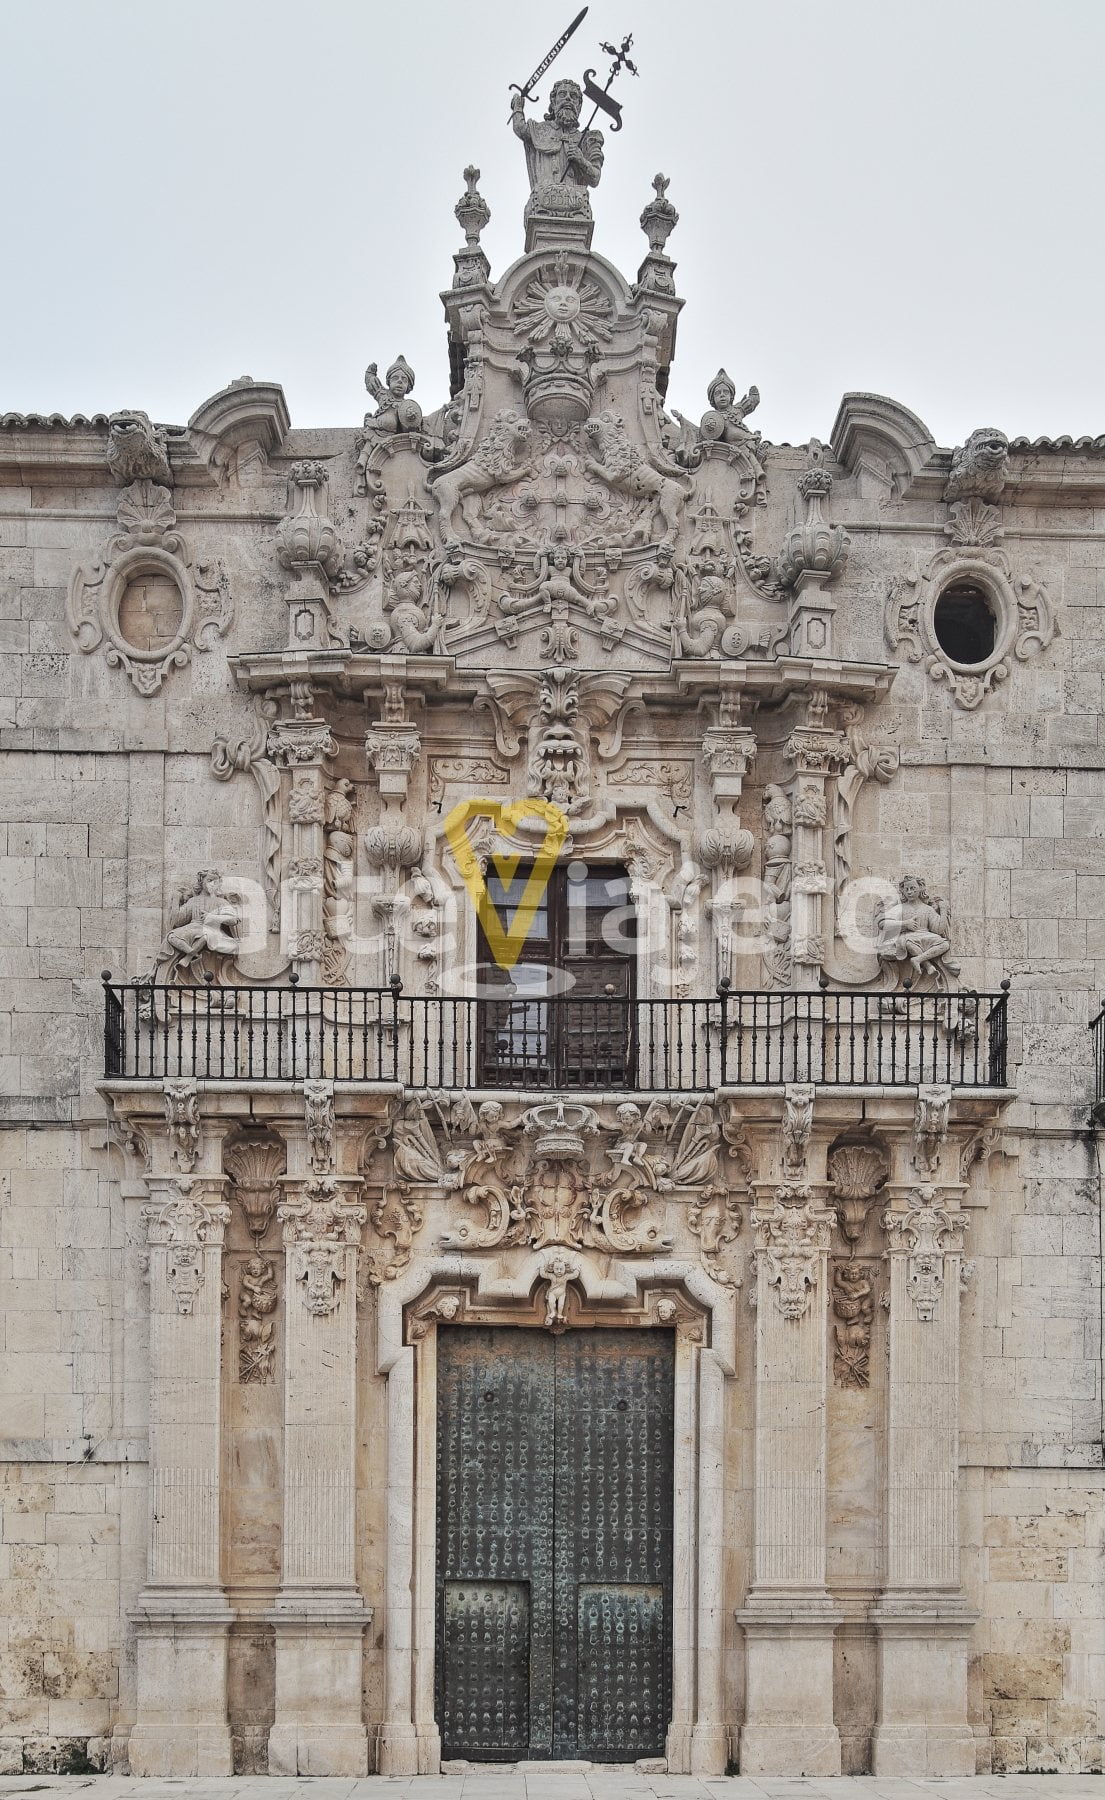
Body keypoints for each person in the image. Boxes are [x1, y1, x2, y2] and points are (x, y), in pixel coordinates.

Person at [511, 78, 604, 218]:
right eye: (562, 94)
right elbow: (520, 129)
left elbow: (595, 178)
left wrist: (581, 159)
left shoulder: (586, 139)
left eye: (573, 96)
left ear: (579, 106)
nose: (568, 98)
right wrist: (518, 108)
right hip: (544, 202)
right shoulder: (540, 130)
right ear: (553, 103)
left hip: (575, 206)